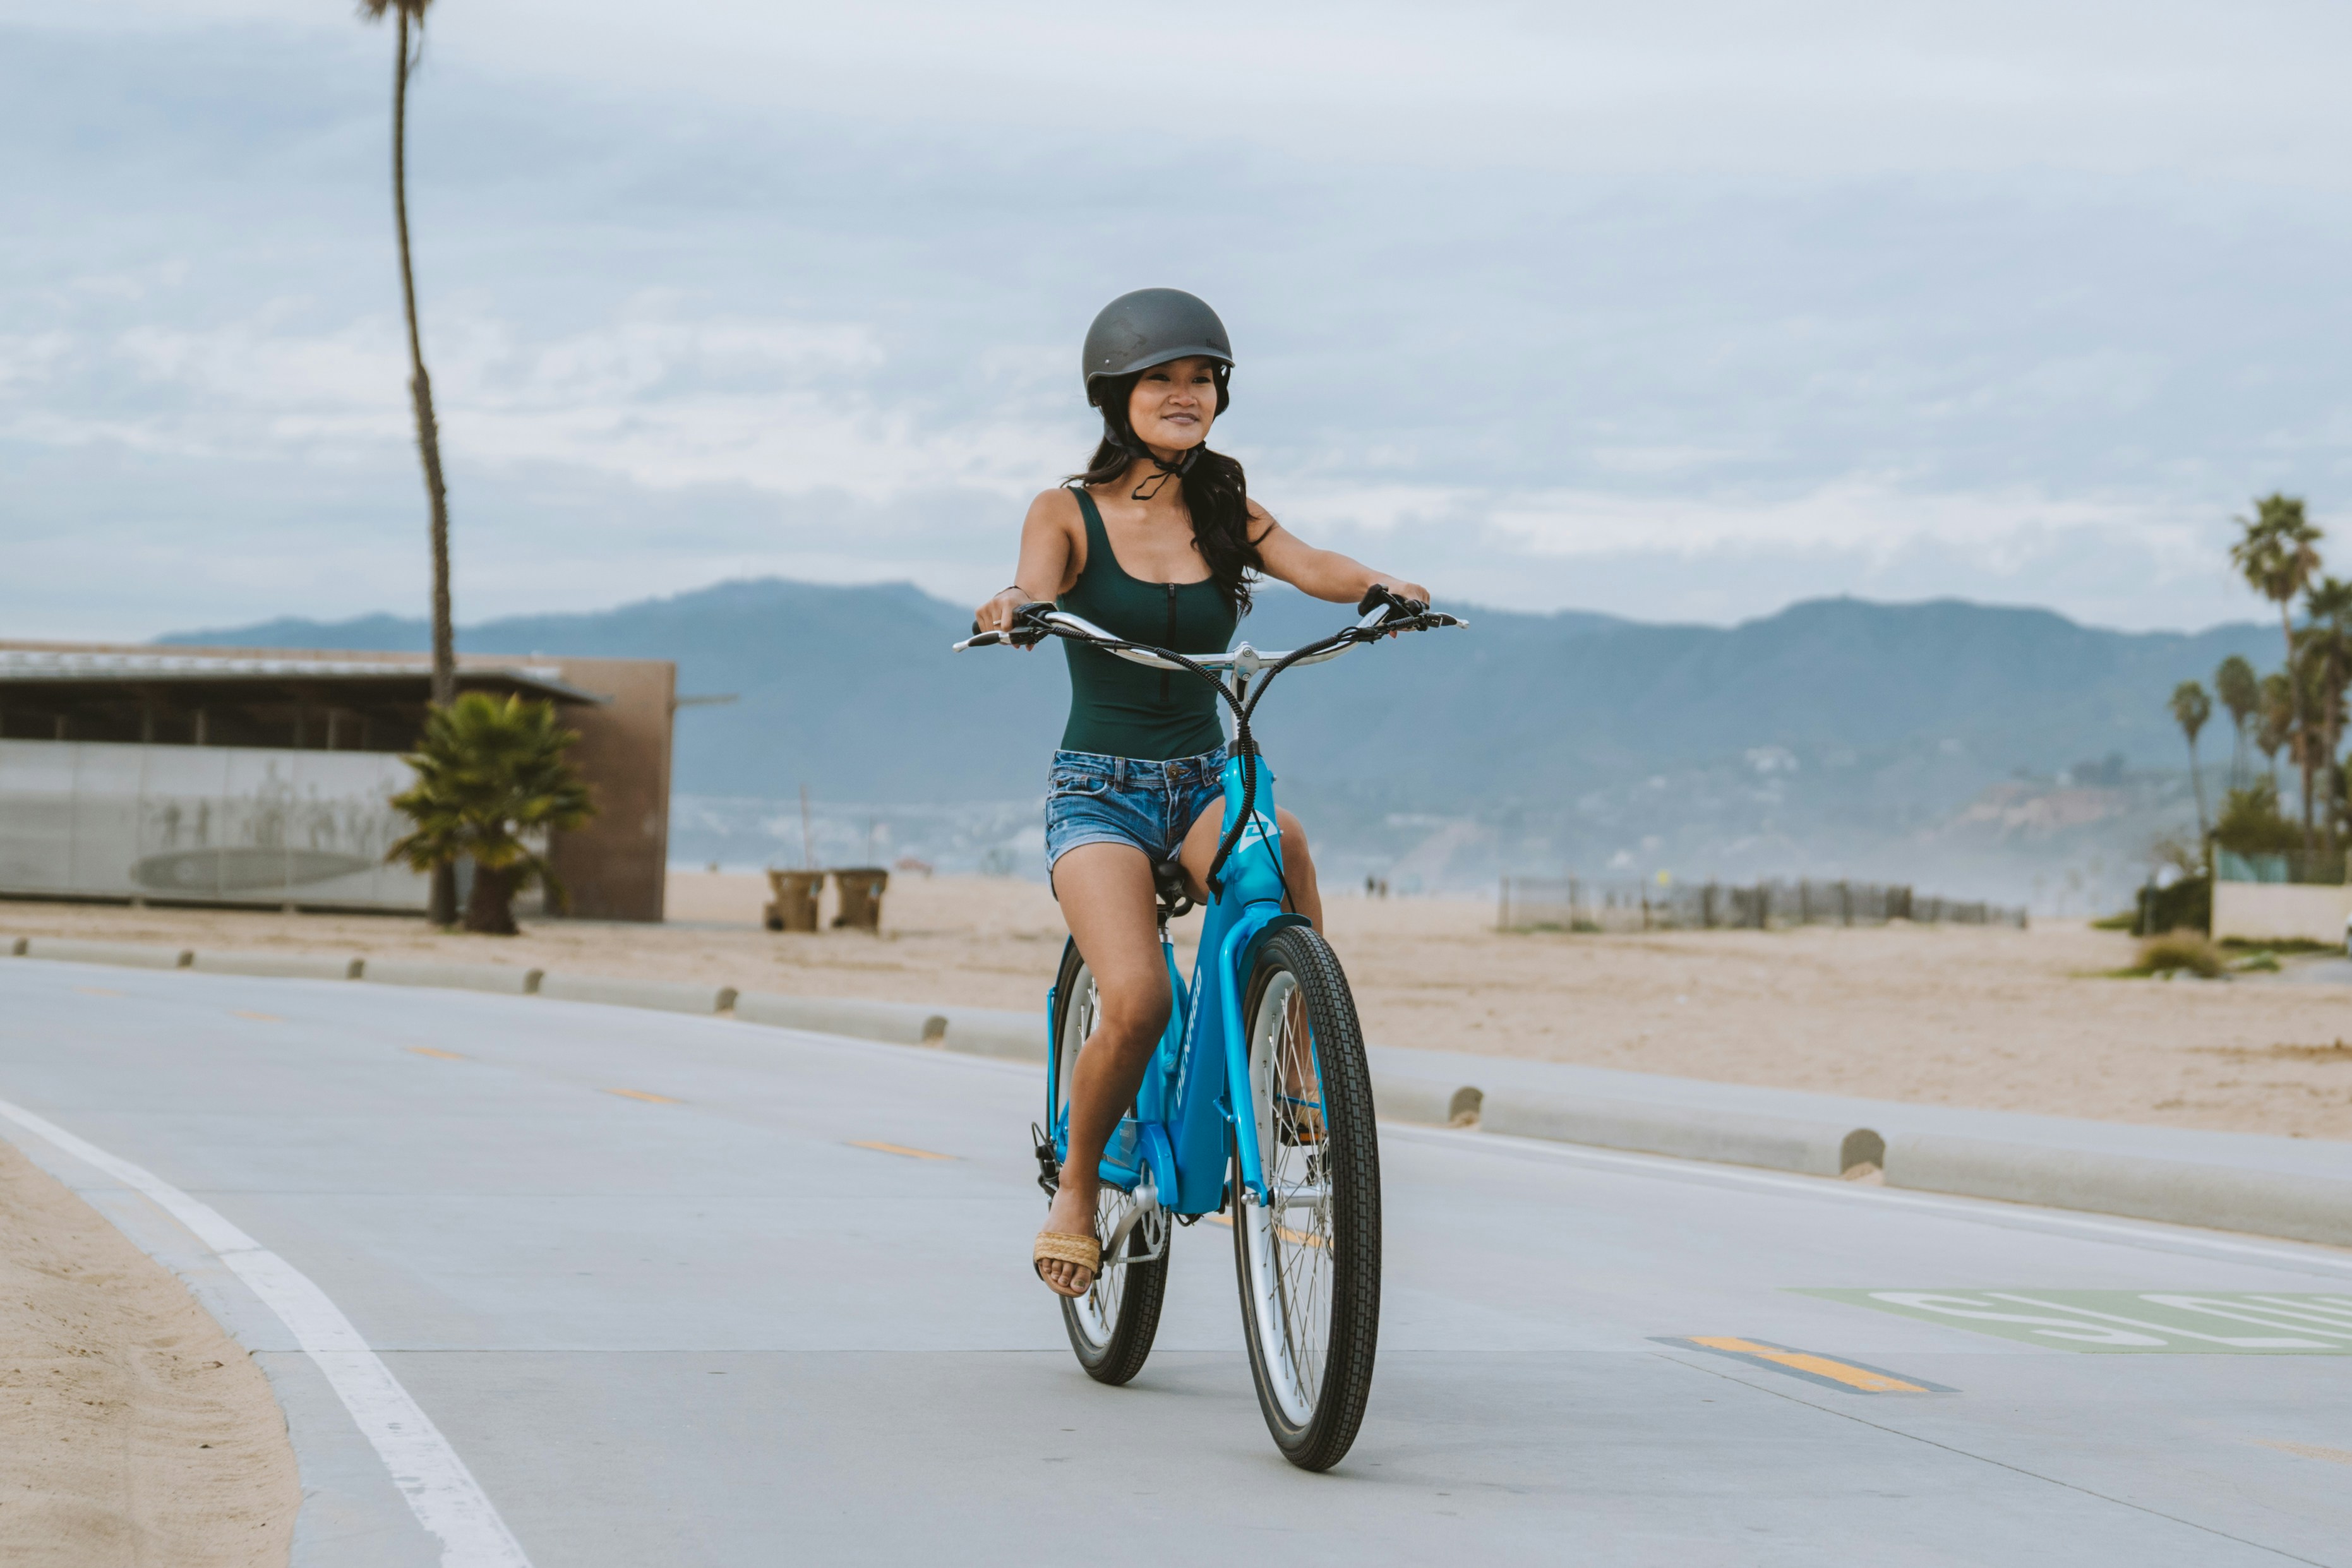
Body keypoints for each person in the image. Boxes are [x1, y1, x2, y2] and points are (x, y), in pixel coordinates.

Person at [971, 288, 1430, 1298]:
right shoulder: (1065, 511)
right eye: (1161, 380)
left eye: (1200, 379)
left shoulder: (1224, 502)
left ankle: (1301, 1070)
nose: (1185, 395)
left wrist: (1377, 590)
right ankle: (1079, 1190)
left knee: (1286, 843)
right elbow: (1034, 589)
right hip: (1099, 792)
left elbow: (1308, 562)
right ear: (1116, 396)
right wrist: (1013, 609)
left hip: (1199, 780)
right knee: (1135, 1000)